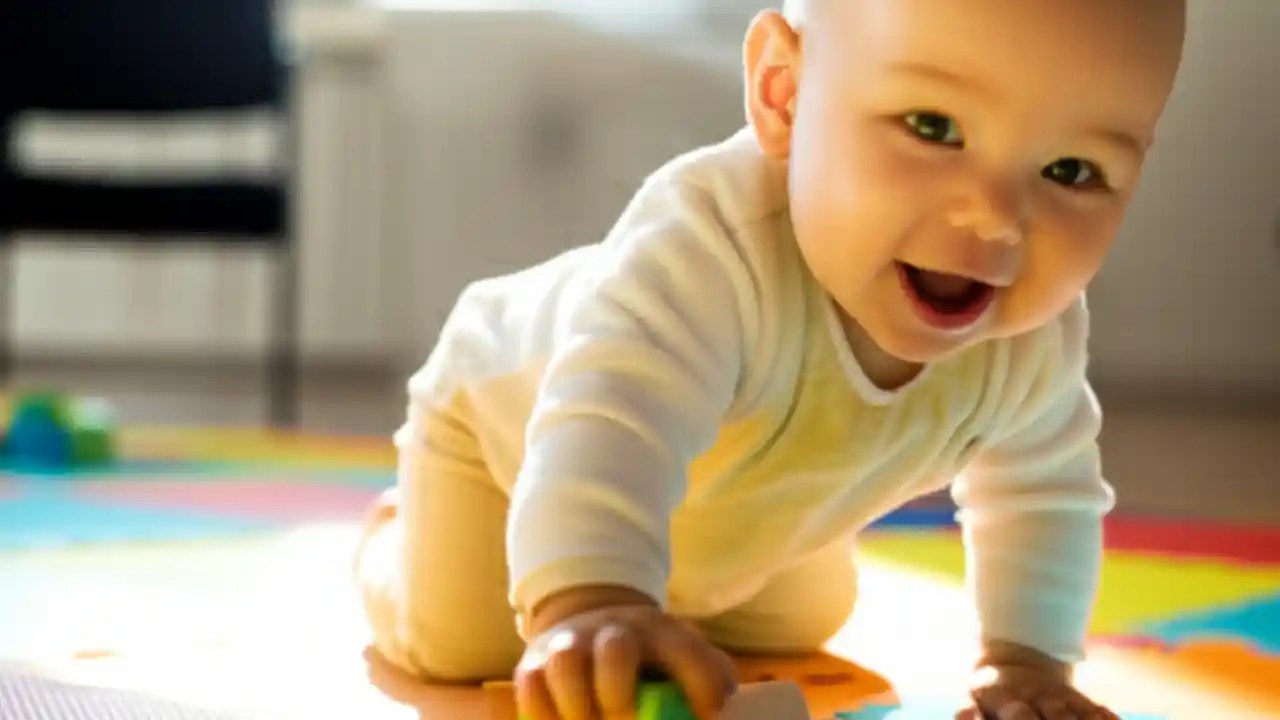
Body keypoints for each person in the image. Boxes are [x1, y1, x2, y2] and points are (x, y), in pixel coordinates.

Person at [355, 1, 1187, 718]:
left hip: (739, 508)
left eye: (1072, 171)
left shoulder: (1032, 338)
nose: (997, 216)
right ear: (783, 96)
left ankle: (651, 588)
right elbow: (613, 421)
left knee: (804, 621)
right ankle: (393, 541)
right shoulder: (709, 249)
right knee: (465, 641)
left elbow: (1045, 493)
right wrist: (591, 598)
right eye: (934, 128)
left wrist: (1028, 662)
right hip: (507, 443)